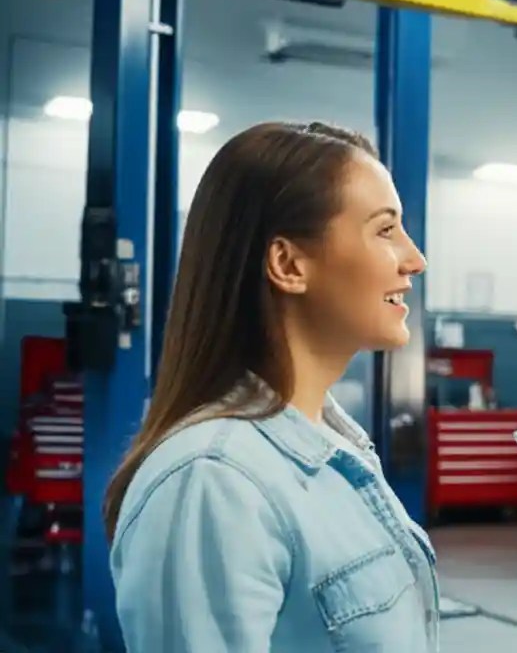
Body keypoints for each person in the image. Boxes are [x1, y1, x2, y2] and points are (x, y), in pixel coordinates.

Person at [104, 122, 438, 652]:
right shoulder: (213, 482)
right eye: (384, 229)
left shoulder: (336, 454)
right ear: (287, 263)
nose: (414, 259)